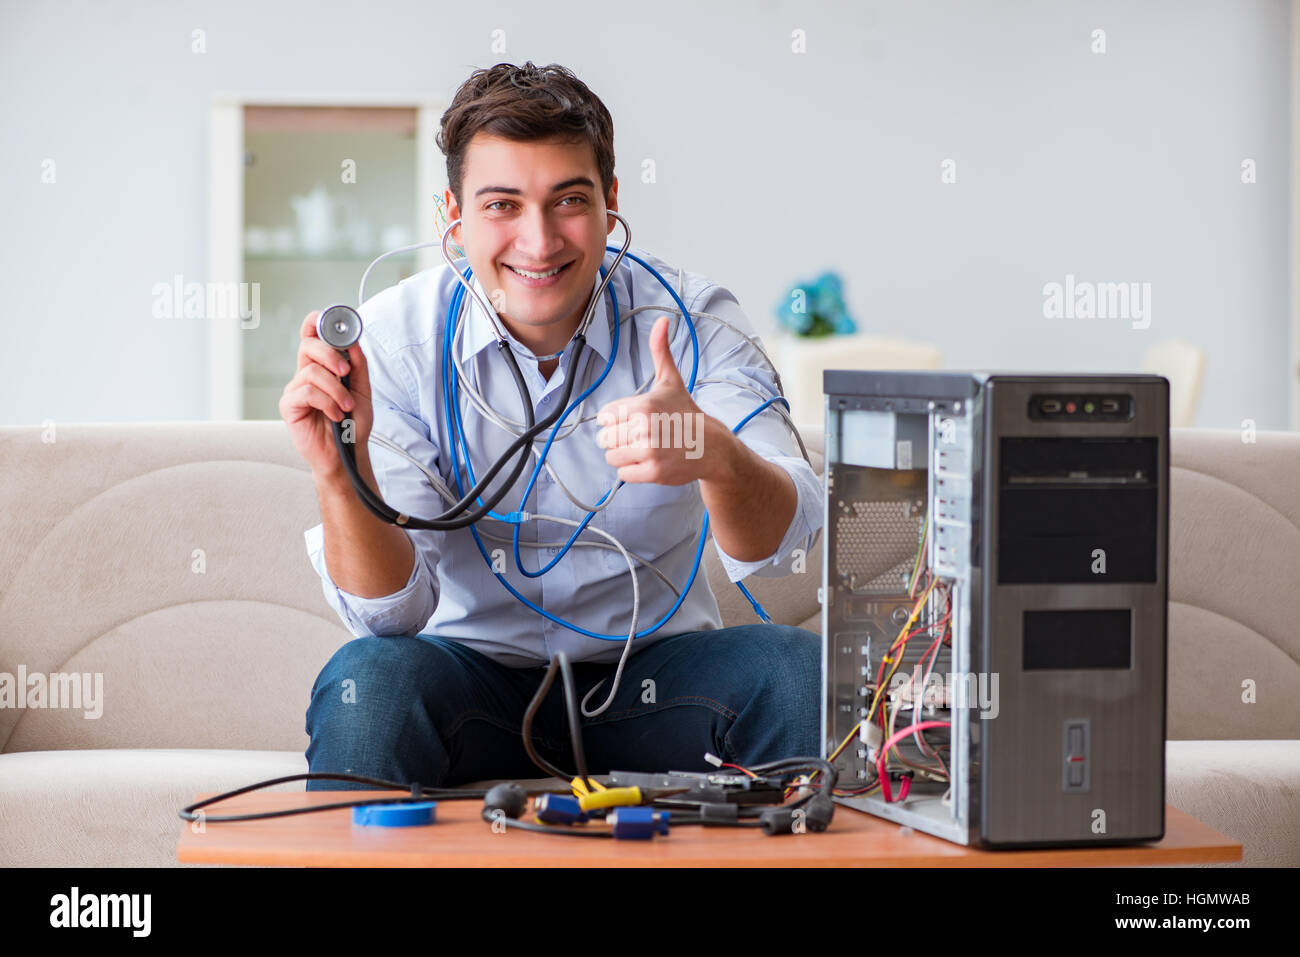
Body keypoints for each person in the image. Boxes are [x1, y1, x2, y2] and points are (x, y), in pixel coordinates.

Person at [280, 61, 824, 791]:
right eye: (502, 204)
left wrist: (715, 455)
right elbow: (392, 613)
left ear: (610, 202)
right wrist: (340, 477)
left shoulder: (693, 320)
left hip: (655, 681)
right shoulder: (390, 344)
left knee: (795, 673)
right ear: (454, 214)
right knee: (368, 679)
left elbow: (780, 550)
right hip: (472, 684)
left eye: (568, 200)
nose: (539, 243)